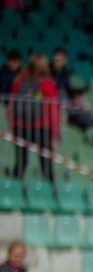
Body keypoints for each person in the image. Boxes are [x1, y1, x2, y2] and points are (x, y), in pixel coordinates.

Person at [8, 54, 59, 182]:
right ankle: (51, 194)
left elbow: (11, 106)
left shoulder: (19, 81)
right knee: (46, 164)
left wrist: (13, 127)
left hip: (20, 127)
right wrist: (55, 133)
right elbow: (52, 111)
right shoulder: (47, 83)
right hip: (42, 127)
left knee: (20, 162)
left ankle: (13, 190)